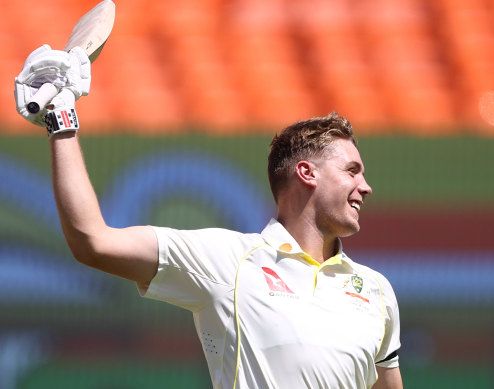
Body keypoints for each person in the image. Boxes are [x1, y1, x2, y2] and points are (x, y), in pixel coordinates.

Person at [15, 45, 403, 389]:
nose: (366, 186)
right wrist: (61, 120)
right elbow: (93, 242)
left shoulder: (376, 290)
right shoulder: (228, 260)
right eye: (352, 171)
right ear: (307, 173)